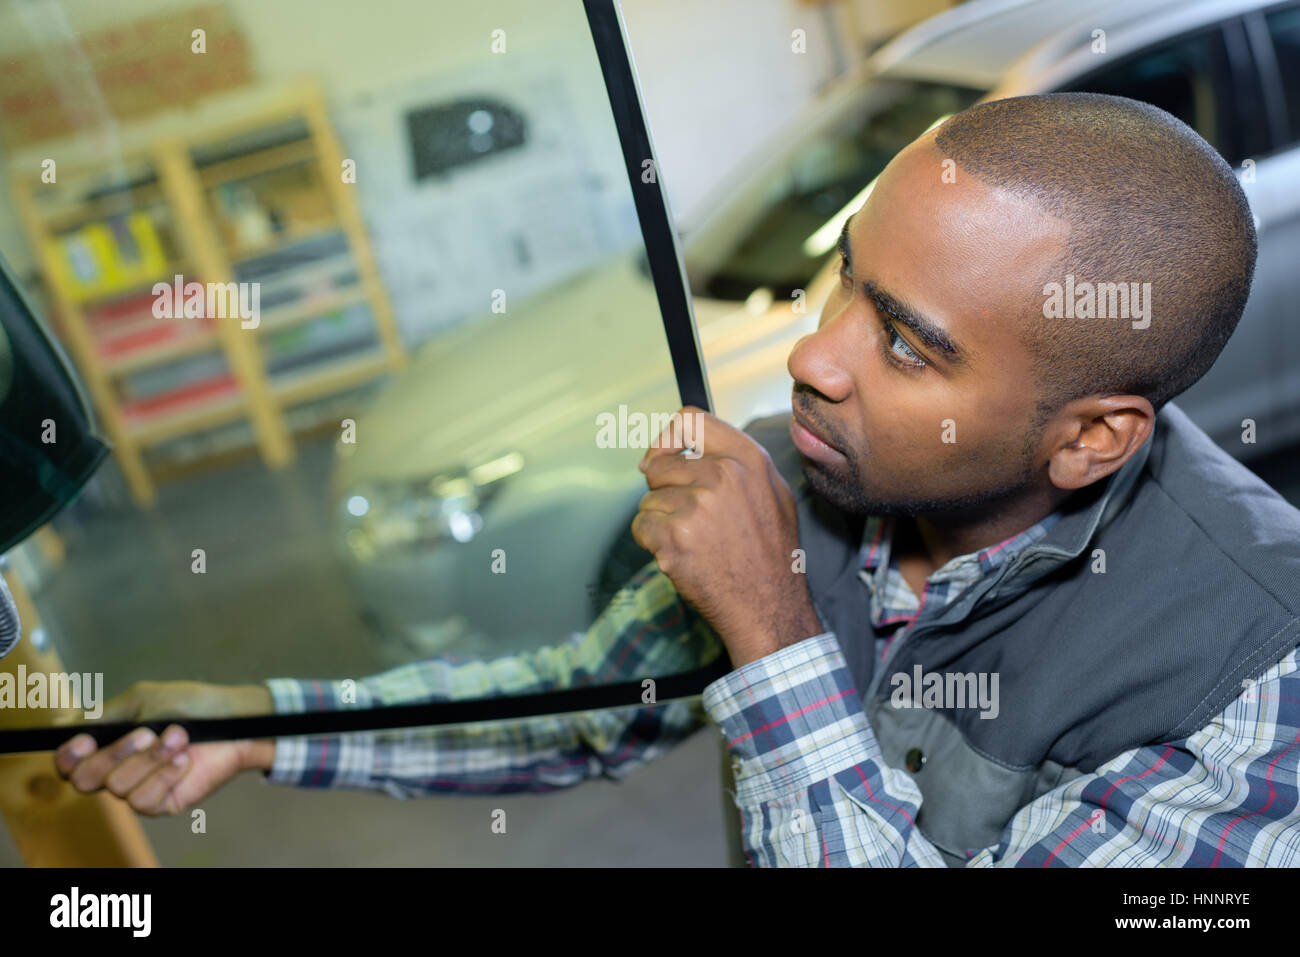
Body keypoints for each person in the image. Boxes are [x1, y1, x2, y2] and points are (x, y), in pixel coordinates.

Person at [55, 93, 1300, 866]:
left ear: (1089, 440)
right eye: (847, 276)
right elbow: (588, 706)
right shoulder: (803, 472)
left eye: (905, 343)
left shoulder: (1251, 673)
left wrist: (770, 638)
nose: (814, 356)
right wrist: (266, 728)